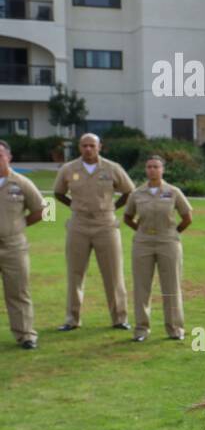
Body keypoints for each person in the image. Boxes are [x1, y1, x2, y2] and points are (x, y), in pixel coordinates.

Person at [52, 133, 133, 331]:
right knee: (75, 273)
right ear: (79, 147)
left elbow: (129, 191)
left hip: (105, 224)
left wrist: (112, 206)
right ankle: (72, 319)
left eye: (92, 145)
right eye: (84, 145)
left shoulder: (112, 168)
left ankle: (119, 318)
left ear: (99, 147)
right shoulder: (69, 169)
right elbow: (58, 192)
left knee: (113, 273)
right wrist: (75, 206)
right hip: (78, 225)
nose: (88, 149)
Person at [123, 154, 193, 342]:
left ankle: (175, 329)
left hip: (168, 242)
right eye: (149, 167)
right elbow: (127, 217)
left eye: (156, 166)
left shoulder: (173, 192)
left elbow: (187, 217)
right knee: (141, 288)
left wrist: (173, 233)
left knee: (171, 287)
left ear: (163, 170)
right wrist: (141, 231)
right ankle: (141, 330)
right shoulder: (137, 193)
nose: (152, 170)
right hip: (143, 243)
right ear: (145, 170)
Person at [0, 138, 44, 350]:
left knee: (18, 291)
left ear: (9, 158)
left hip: (13, 246)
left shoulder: (21, 183)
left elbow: (41, 210)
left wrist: (19, 225)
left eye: (0, 155)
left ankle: (26, 335)